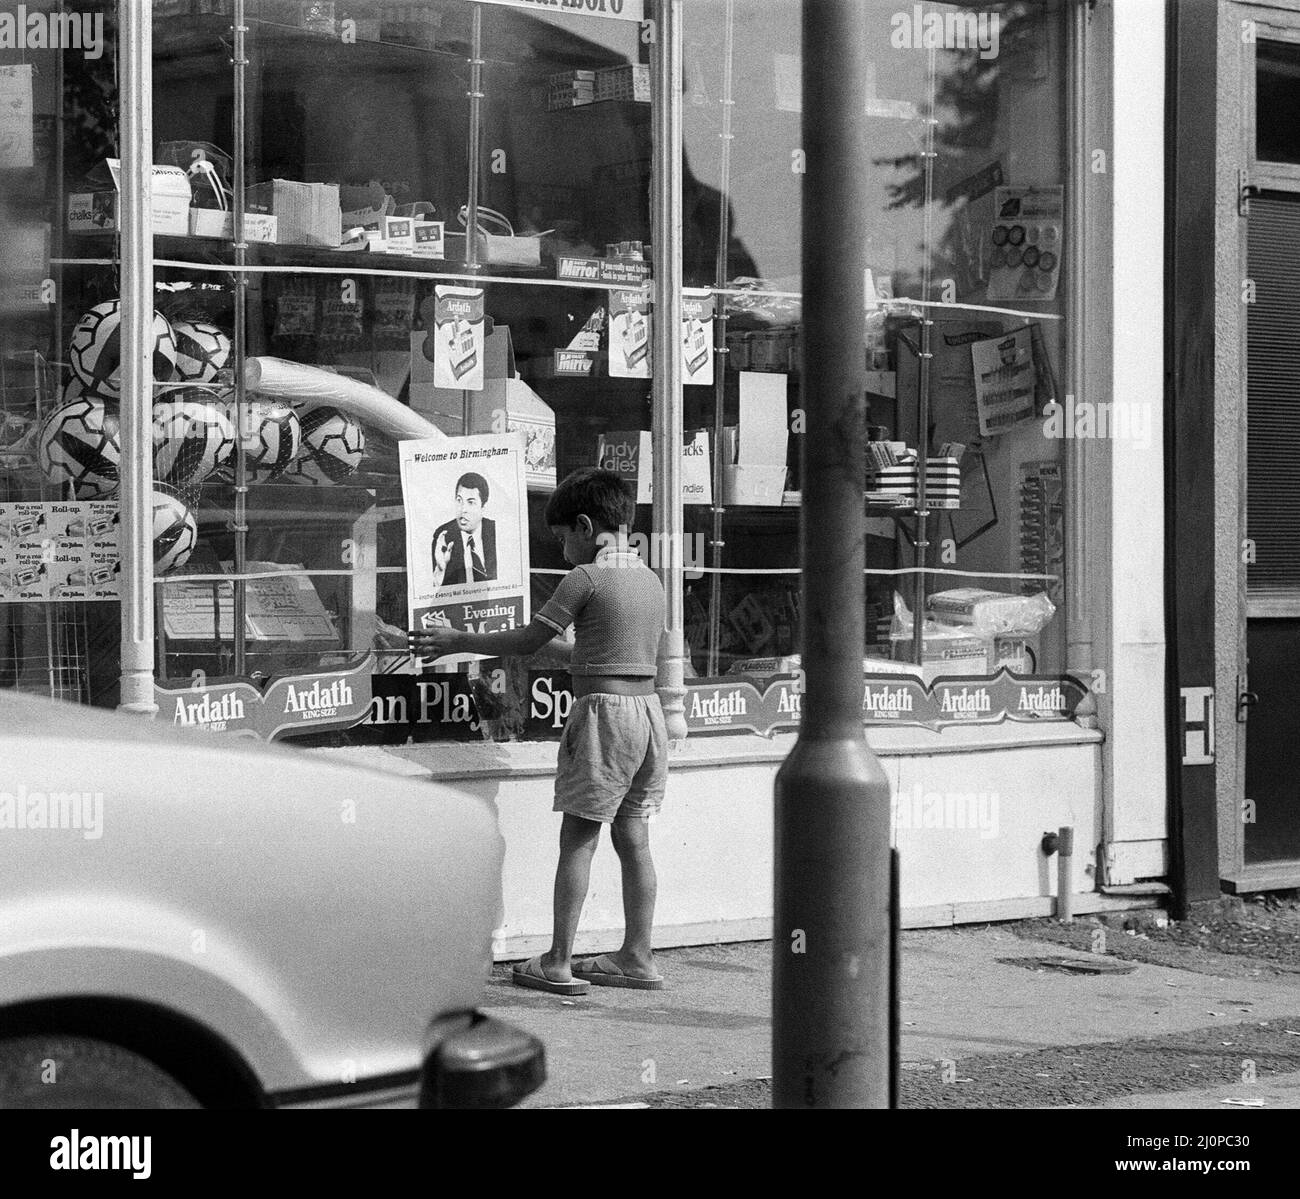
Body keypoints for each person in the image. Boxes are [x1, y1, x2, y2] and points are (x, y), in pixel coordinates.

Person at [409, 467, 667, 995]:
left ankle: (557, 961)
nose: (561, 549)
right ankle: (638, 955)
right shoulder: (650, 579)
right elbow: (587, 652)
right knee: (634, 839)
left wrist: (459, 637)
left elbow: (528, 641)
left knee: (578, 838)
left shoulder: (586, 579)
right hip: (648, 717)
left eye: (562, 537)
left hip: (603, 718)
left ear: (585, 525)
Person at [431, 472, 497, 588]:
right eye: (459, 500)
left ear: (483, 507)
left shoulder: (495, 531)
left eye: (470, 502)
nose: (463, 509)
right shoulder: (444, 536)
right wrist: (440, 572)